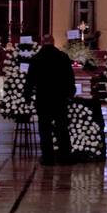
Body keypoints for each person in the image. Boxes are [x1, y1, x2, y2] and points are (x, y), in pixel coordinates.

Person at [24, 35, 76, 165]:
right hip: (60, 98)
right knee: (62, 127)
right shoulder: (62, 57)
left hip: (43, 98)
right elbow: (69, 78)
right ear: (53, 42)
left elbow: (30, 80)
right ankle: (65, 157)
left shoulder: (36, 58)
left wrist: (28, 96)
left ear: (42, 43)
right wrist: (70, 93)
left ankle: (48, 158)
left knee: (45, 129)